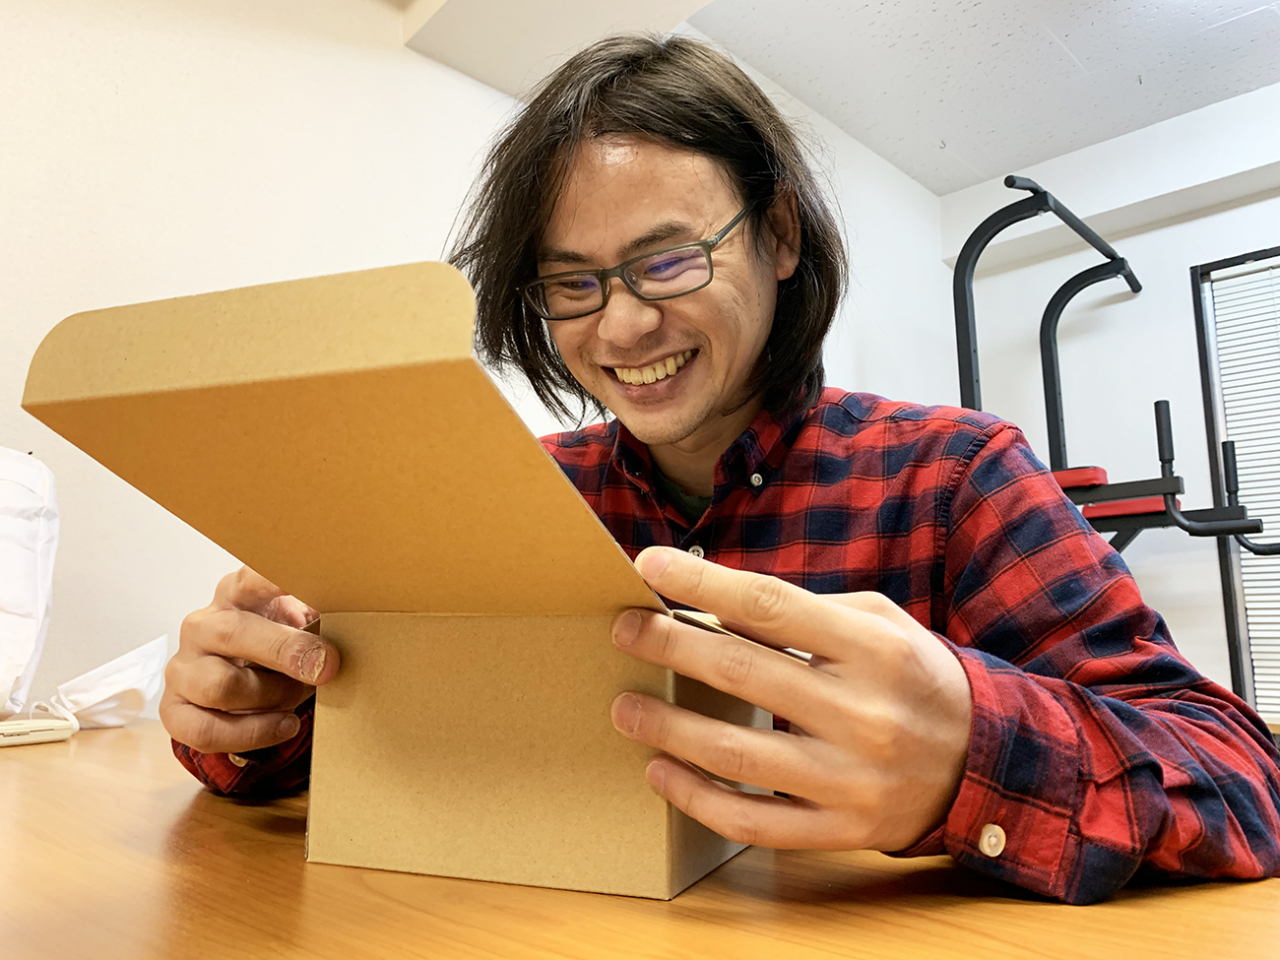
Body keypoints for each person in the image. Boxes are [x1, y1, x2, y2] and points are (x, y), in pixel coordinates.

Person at [159, 35, 1280, 904]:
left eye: (667, 258)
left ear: (778, 237)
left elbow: (1243, 783)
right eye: (572, 285)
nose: (624, 326)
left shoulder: (952, 480)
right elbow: (390, 752)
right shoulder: (513, 492)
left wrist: (968, 760)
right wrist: (256, 717)